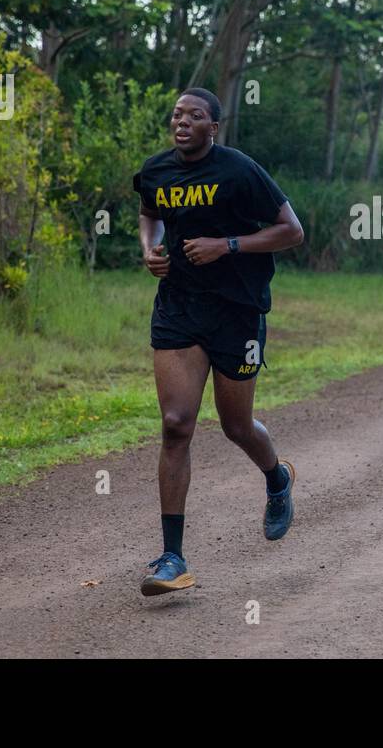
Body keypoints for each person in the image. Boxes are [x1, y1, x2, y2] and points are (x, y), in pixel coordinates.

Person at [132, 88, 305, 596]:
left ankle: (276, 478)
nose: (182, 122)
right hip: (179, 308)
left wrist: (227, 245)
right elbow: (149, 211)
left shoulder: (239, 171)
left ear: (214, 127)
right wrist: (149, 249)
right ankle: (172, 558)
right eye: (177, 115)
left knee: (234, 425)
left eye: (195, 116)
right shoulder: (156, 170)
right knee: (176, 424)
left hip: (237, 312)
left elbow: (291, 231)